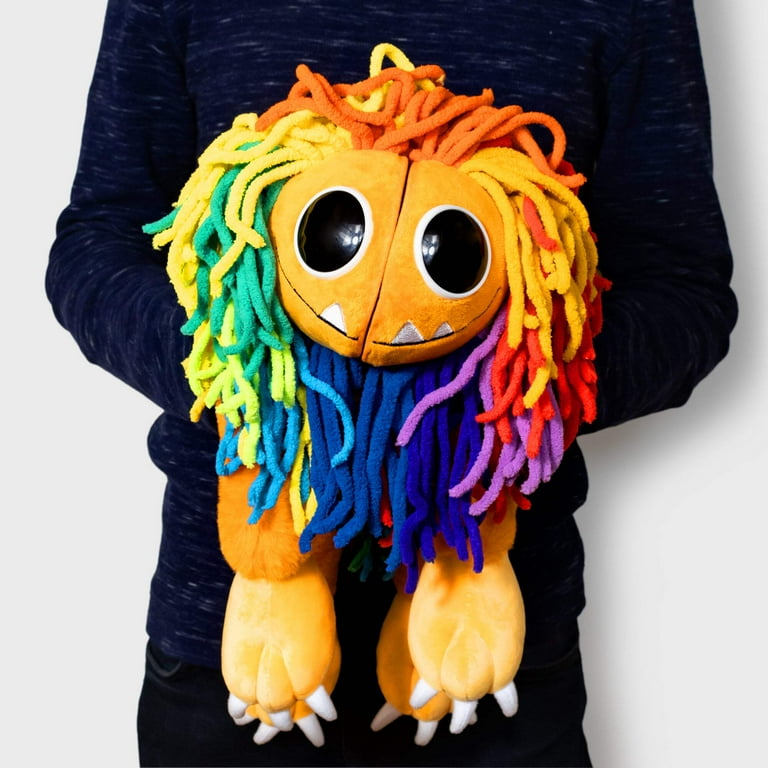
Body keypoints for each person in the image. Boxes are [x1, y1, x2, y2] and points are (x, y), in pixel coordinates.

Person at [46, 0, 737, 765]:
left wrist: (488, 392)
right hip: (232, 631)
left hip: (489, 638)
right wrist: (264, 377)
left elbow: (685, 297)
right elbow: (96, 249)